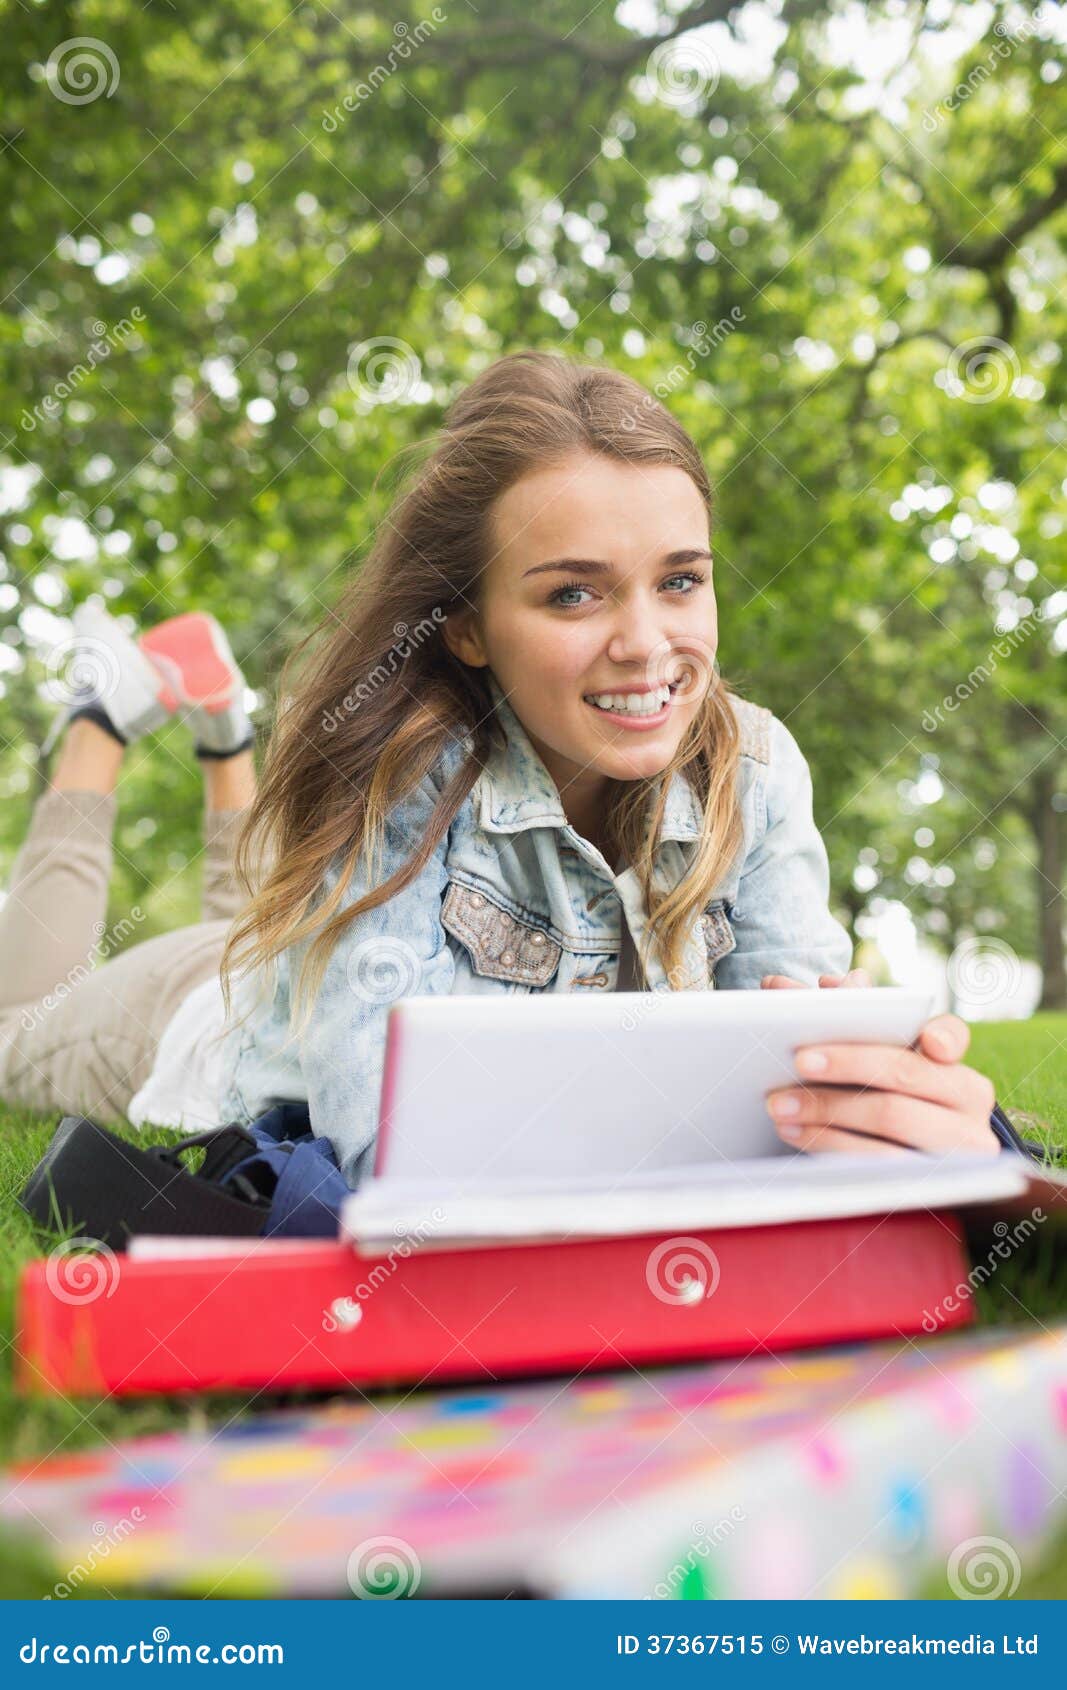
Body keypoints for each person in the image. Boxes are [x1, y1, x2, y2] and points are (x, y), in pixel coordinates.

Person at [216, 349, 1003, 1190]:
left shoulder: (756, 767)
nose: (643, 645)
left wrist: (876, 1104)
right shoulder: (401, 770)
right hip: (192, 1025)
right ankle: (206, 735)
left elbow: (796, 1113)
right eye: (572, 595)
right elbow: (387, 1152)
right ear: (466, 628)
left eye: (679, 581)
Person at [0, 602, 260, 1134]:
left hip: (249, 986)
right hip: (225, 1009)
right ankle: (104, 717)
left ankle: (225, 738)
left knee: (251, 947)